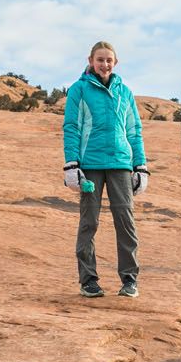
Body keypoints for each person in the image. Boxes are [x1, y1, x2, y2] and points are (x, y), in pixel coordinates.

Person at [62, 41, 148, 299]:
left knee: (126, 222)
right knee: (89, 221)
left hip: (121, 164)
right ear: (90, 61)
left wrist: (140, 166)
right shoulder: (79, 90)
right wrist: (72, 164)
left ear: (116, 63)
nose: (104, 64)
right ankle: (88, 280)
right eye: (100, 59)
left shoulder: (125, 93)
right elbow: (72, 127)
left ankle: (129, 280)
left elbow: (134, 131)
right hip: (90, 165)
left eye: (109, 60)